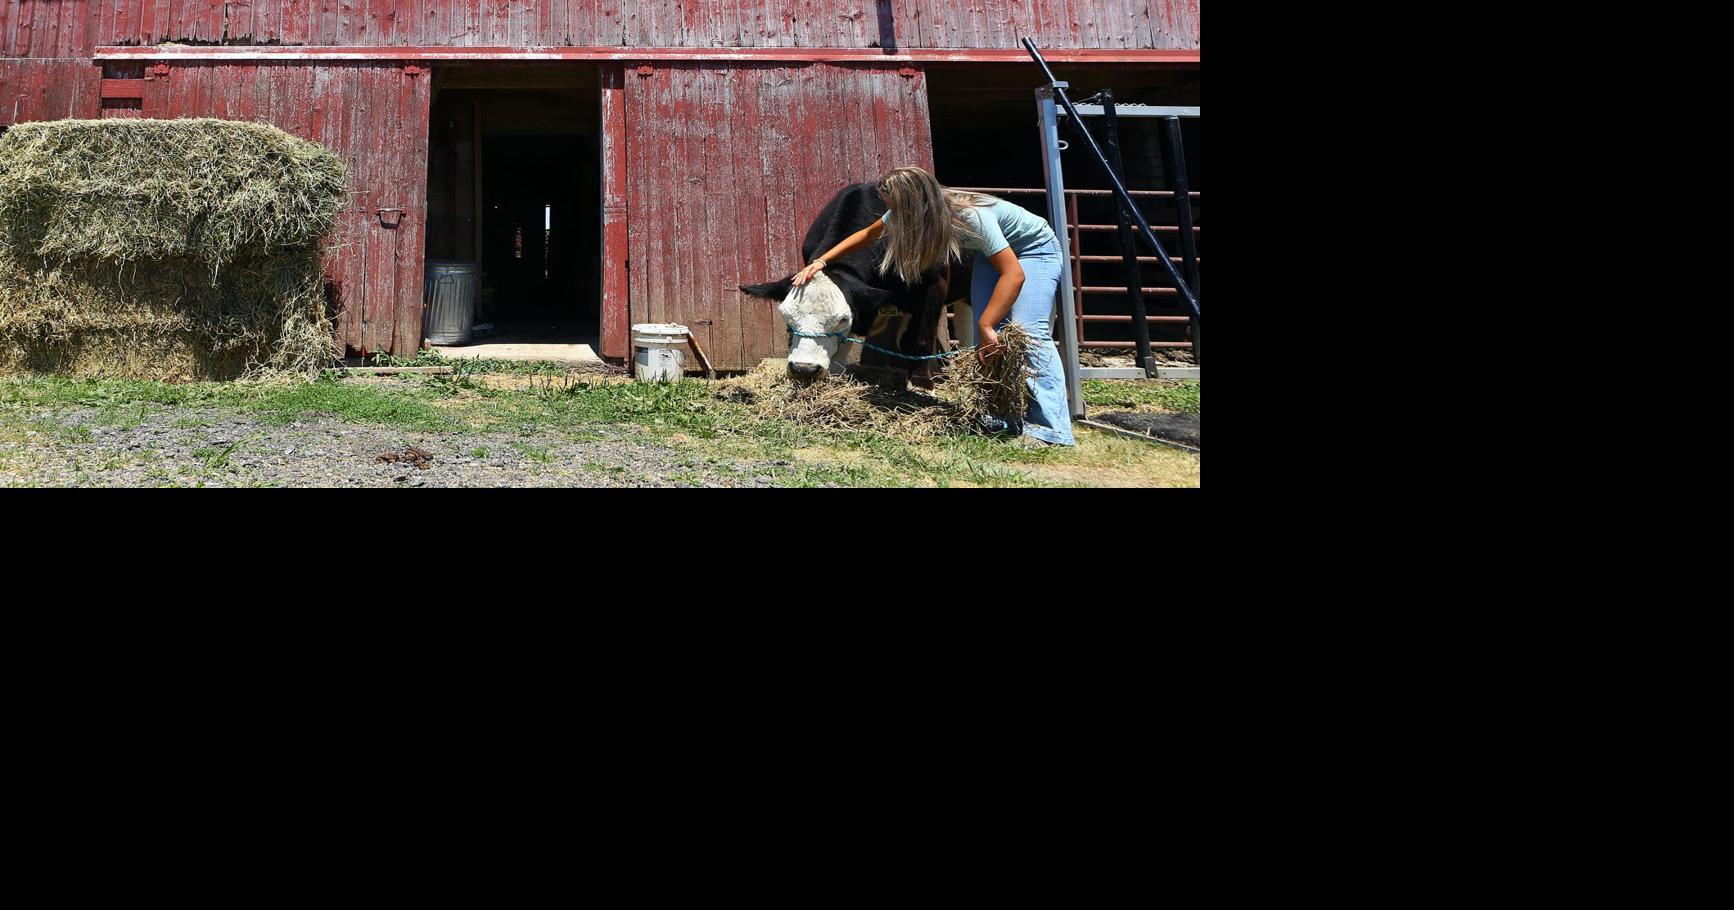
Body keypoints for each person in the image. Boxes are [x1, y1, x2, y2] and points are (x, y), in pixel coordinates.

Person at [791, 166, 1075, 447]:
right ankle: (1003, 417)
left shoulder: (970, 217)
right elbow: (868, 235)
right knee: (985, 342)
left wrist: (986, 322)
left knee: (1028, 332)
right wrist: (821, 261)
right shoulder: (911, 210)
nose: (890, 212)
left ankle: (1050, 429)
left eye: (893, 205)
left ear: (915, 201)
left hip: (1033, 250)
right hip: (992, 256)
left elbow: (1014, 274)